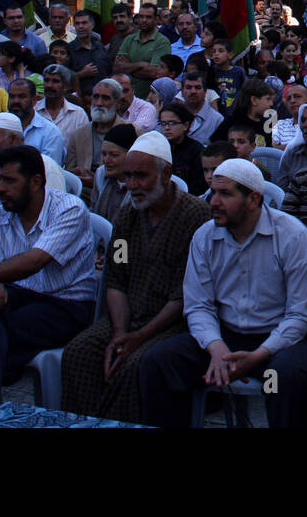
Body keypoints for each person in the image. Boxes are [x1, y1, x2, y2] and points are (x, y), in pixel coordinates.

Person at [138, 157, 307, 428]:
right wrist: (216, 347)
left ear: (253, 199)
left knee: (283, 378)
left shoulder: (292, 236)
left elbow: (301, 313)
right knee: (158, 363)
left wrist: (260, 354)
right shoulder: (205, 236)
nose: (214, 202)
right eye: (213, 193)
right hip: (225, 338)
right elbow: (199, 305)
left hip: (278, 341)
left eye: (225, 194)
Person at [60, 132, 210, 423]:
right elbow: (116, 281)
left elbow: (183, 297)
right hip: (127, 319)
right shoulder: (128, 216)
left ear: (166, 174)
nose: (132, 185)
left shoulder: (195, 217)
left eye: (140, 176)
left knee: (134, 366)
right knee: (79, 353)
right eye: (128, 177)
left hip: (175, 325)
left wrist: (136, 338)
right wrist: (119, 335)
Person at [0, 145, 96, 408]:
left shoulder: (69, 209)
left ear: (35, 182)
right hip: (18, 296)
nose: (0, 187)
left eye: (9, 180)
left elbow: (35, 261)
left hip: (64, 304)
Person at [66, 78, 127, 193]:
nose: (99, 103)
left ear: (117, 103)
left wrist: (98, 181)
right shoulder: (78, 135)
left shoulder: (130, 132)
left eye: (105, 98)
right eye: (96, 97)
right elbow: (70, 174)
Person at [114, 4, 172, 101]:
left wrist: (128, 67)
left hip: (149, 99)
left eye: (148, 17)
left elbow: (156, 73)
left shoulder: (162, 42)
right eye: (141, 17)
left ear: (156, 19)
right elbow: (116, 67)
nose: (144, 20)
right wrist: (142, 65)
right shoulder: (129, 39)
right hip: (126, 99)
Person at [6, 78, 65, 166]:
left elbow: (49, 170)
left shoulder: (50, 132)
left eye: (22, 97)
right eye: (12, 96)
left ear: (34, 100)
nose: (16, 101)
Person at [69, 9, 112, 100]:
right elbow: (62, 79)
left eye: (84, 23)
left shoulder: (100, 48)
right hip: (79, 102)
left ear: (92, 25)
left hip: (102, 100)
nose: (81, 26)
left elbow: (109, 71)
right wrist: (81, 74)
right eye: (77, 23)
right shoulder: (69, 50)